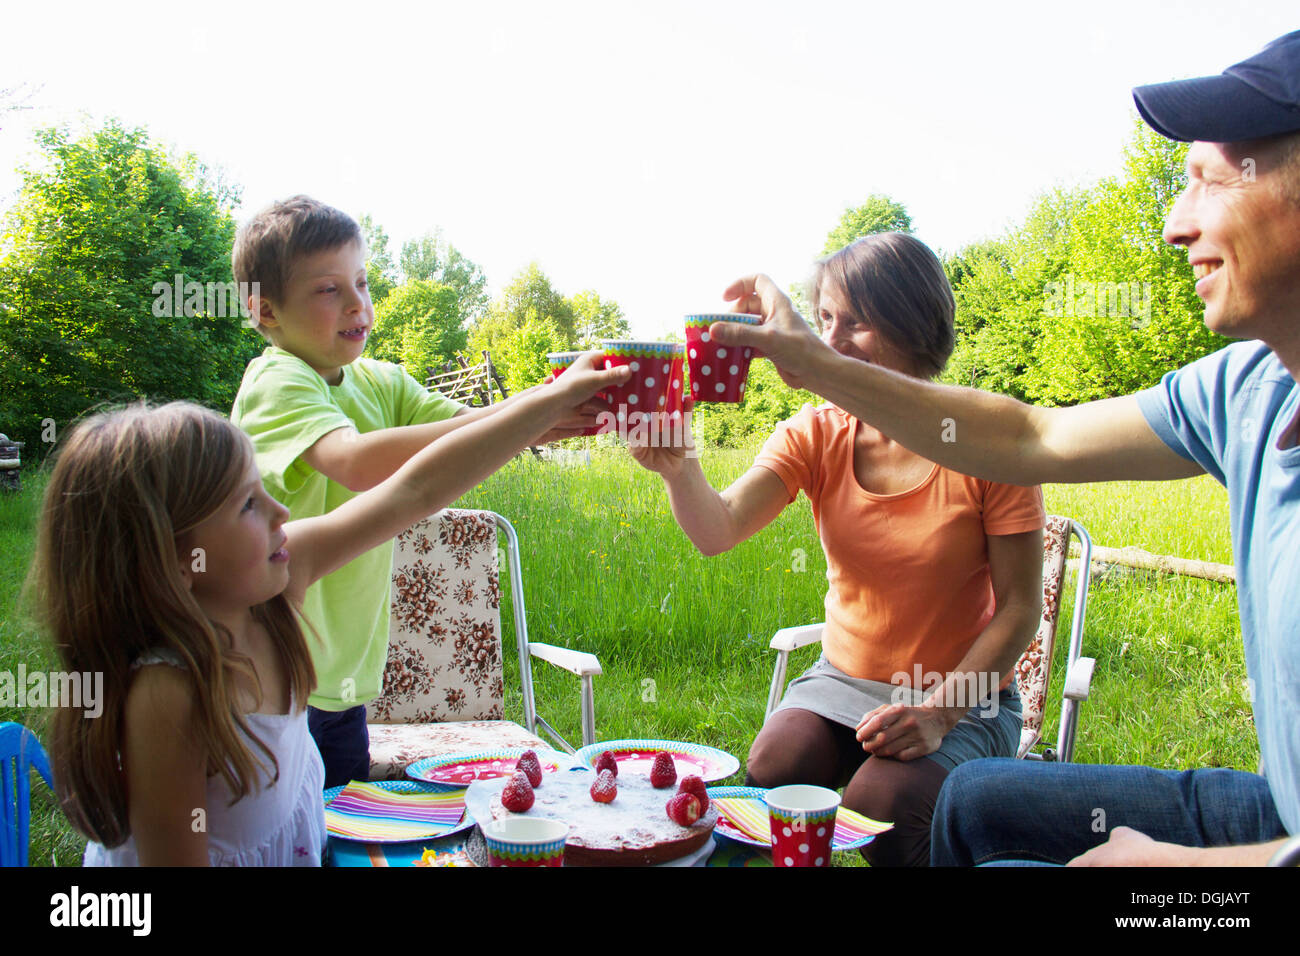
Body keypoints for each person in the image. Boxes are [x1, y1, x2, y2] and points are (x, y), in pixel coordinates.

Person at [709, 31, 1300, 865]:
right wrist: (804, 363)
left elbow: (1016, 593)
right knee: (976, 805)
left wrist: (1186, 874)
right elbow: (1031, 434)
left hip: (1261, 844)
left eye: (1207, 179)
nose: (1176, 225)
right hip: (1280, 806)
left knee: (909, 804)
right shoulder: (1241, 391)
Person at [33, 361, 626, 865]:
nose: (278, 507)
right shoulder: (168, 694)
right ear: (171, 554)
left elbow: (415, 491)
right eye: (246, 501)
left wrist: (546, 407)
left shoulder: (275, 591)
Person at [630, 233, 1045, 866]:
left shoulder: (984, 438)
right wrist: (679, 468)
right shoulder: (815, 433)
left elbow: (1019, 610)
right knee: (772, 768)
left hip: (962, 695)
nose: (830, 341)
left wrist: (937, 712)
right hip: (842, 681)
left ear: (914, 325)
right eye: (824, 318)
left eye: (857, 322)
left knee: (883, 805)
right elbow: (718, 530)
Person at [229, 196, 602, 788]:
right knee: (292, 832)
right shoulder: (275, 380)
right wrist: (531, 410)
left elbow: (478, 430)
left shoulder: (381, 381)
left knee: (343, 830)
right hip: (275, 670)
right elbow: (354, 463)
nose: (358, 304)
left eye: (362, 281)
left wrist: (564, 410)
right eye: (329, 290)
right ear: (266, 311)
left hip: (345, 678)